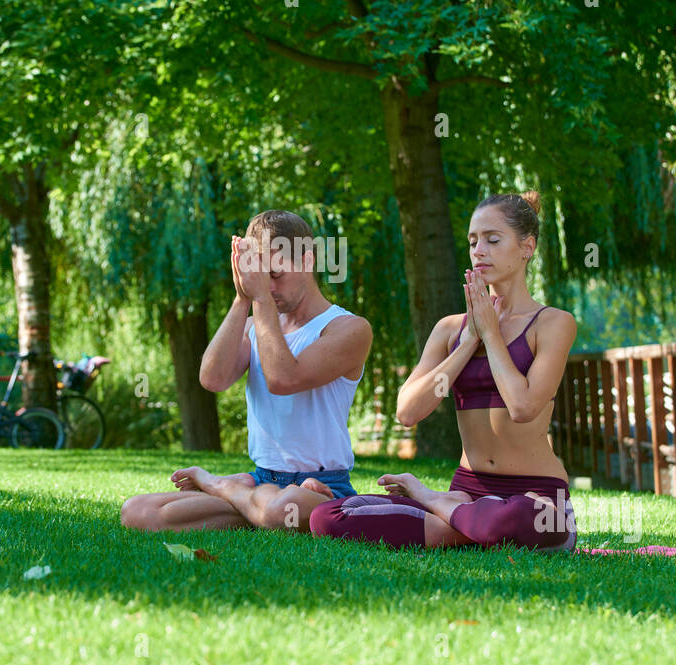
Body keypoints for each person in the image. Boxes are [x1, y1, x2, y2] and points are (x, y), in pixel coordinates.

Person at [310, 192, 579, 552]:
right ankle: (466, 523)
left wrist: (491, 335)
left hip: (535, 499)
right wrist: (469, 341)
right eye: (472, 241)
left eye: (492, 239)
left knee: (505, 519)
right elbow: (407, 412)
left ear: (526, 246)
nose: (479, 250)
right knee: (327, 516)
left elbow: (522, 408)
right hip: (466, 493)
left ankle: (436, 505)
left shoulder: (553, 323)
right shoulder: (451, 329)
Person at [119, 210, 373, 534]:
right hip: (262, 481)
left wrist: (260, 298)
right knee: (138, 512)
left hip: (324, 486)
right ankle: (253, 504)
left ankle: (220, 485)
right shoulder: (255, 322)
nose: (267, 286)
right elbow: (212, 379)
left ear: (308, 261)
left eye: (275, 274)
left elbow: (283, 378)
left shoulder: (348, 328)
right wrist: (242, 299)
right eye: (258, 275)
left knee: (286, 508)